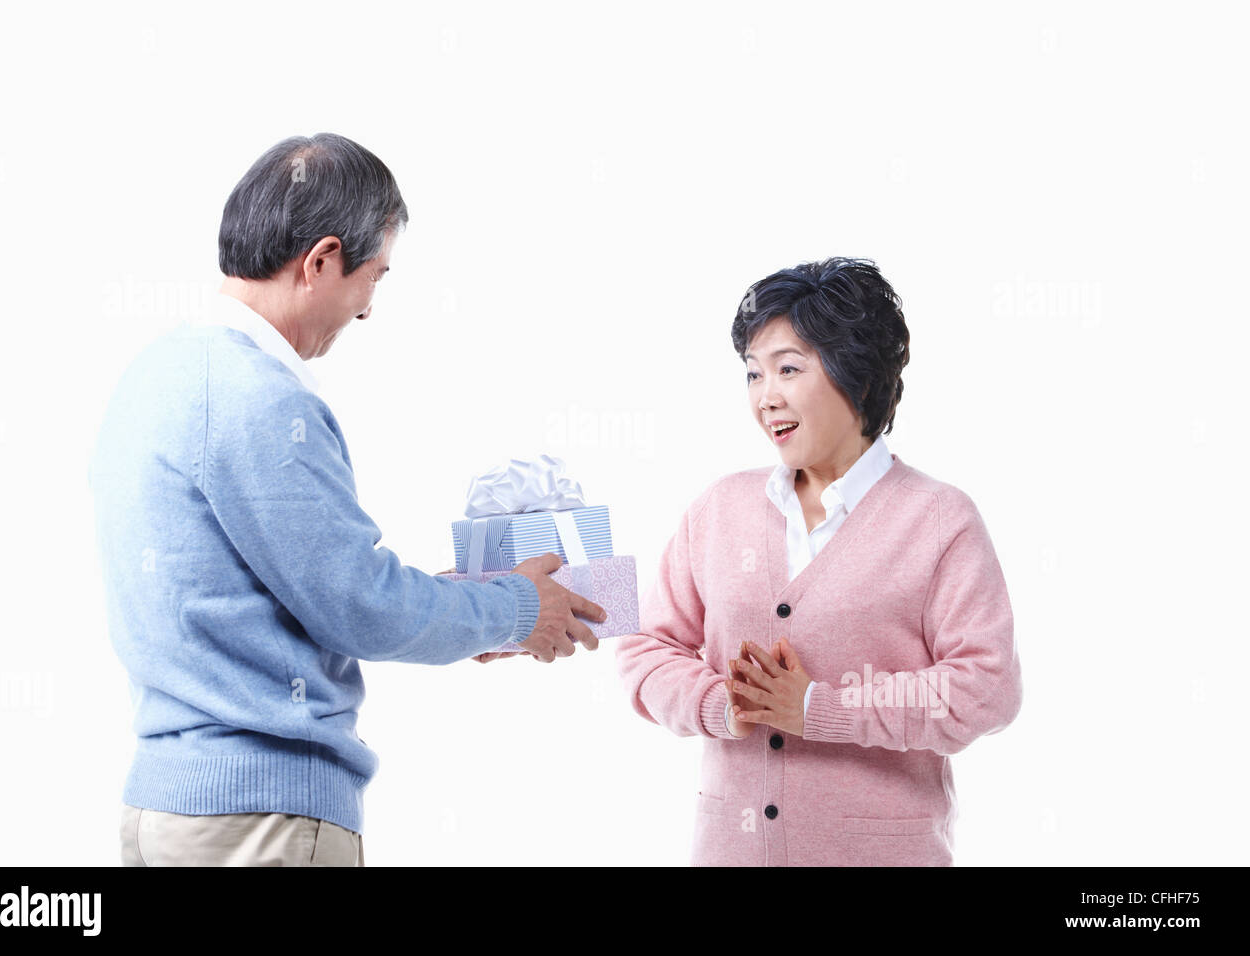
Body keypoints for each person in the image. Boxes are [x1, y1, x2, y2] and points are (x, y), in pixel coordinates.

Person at [89, 133, 606, 867]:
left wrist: (462, 604)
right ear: (322, 260)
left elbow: (273, 591)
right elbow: (358, 605)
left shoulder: (156, 375)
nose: (367, 310)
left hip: (168, 812)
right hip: (261, 822)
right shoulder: (257, 398)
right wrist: (521, 608)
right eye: (375, 277)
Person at [613, 257, 1021, 866]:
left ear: (855, 373)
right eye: (753, 375)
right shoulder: (719, 508)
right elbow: (645, 647)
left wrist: (818, 709)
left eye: (788, 369)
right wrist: (717, 704)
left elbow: (987, 689)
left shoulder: (940, 520)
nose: (765, 397)